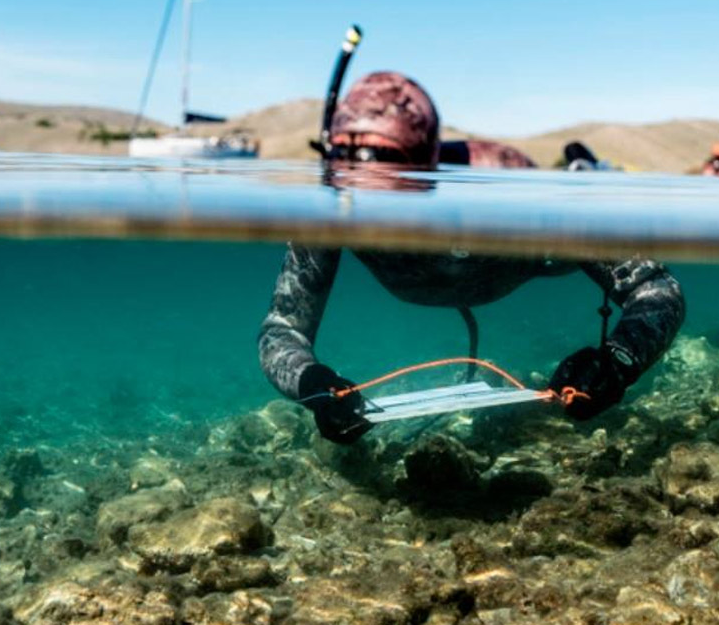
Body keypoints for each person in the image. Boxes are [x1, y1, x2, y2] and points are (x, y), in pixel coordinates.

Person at [258, 71, 686, 444]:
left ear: (429, 167)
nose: (365, 196)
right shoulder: (329, 210)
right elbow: (281, 331)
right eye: (346, 171)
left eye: (388, 173)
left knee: (585, 187)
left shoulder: (511, 183)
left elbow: (657, 288)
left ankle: (586, 169)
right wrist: (313, 385)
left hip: (539, 262)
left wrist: (617, 362)